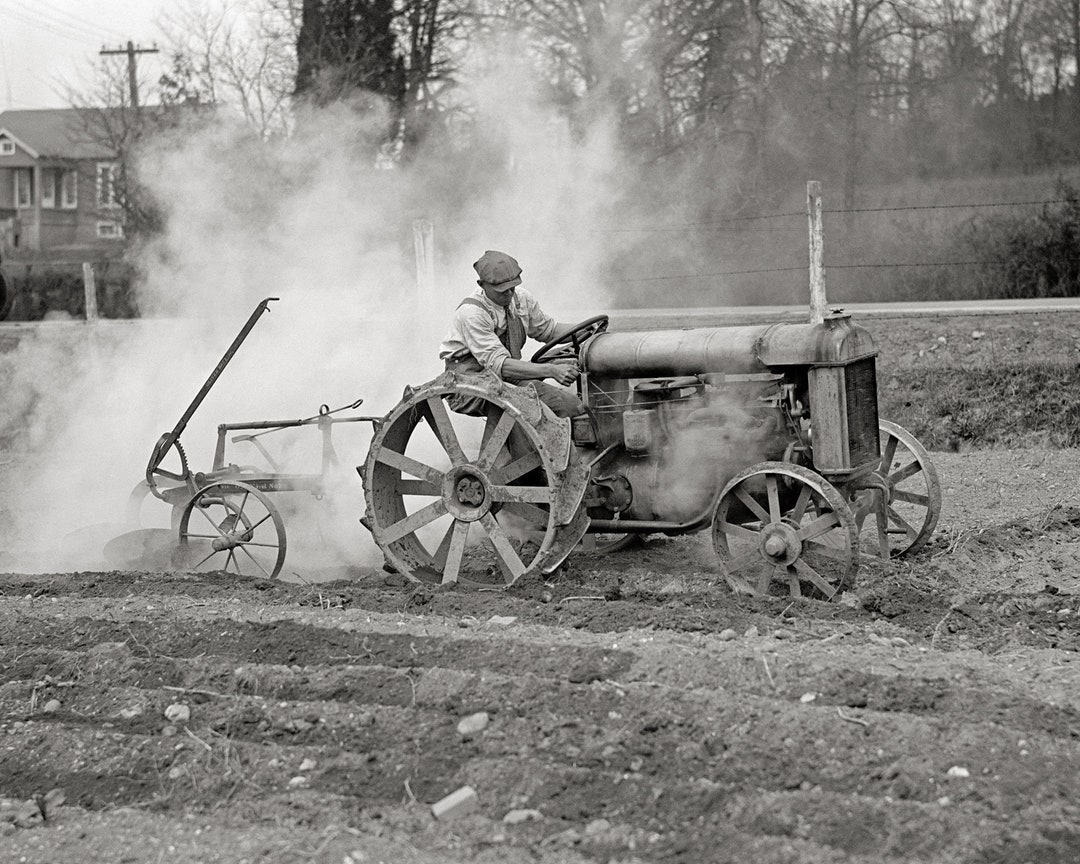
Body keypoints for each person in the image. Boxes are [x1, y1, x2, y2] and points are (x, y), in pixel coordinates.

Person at [440, 250, 586, 418]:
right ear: (482, 285)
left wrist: (587, 329)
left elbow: (549, 330)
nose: (509, 294)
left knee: (569, 405)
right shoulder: (472, 313)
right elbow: (500, 364)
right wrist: (552, 370)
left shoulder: (521, 299)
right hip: (470, 384)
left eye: (512, 288)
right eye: (502, 290)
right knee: (527, 409)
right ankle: (518, 443)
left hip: (506, 380)